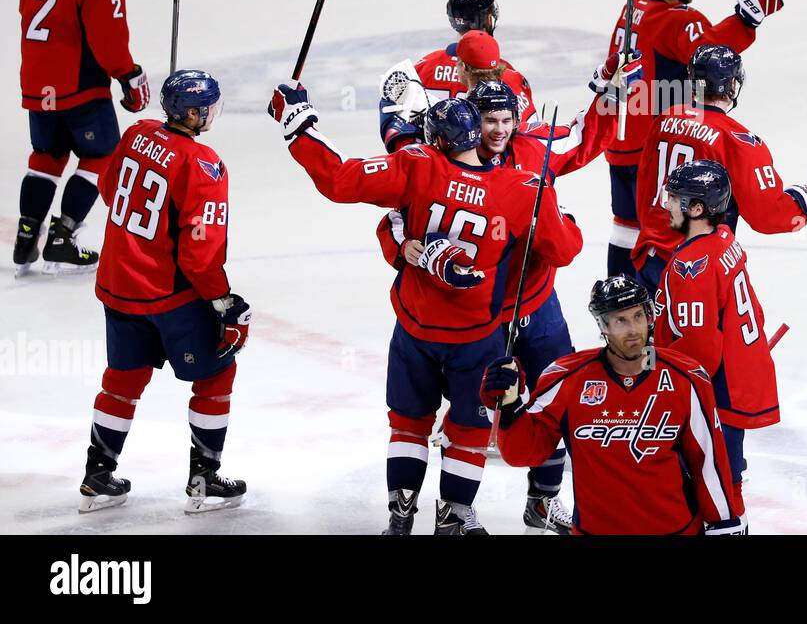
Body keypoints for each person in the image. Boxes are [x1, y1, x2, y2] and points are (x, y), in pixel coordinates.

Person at [271, 88, 582, 535]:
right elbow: (565, 248)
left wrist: (299, 126)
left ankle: (400, 518)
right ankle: (454, 515)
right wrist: (556, 208)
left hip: (415, 328)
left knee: (408, 424)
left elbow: (340, 180)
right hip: (479, 334)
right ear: (477, 131)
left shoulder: (417, 164)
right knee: (471, 429)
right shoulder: (520, 188)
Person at [376, 52, 641, 534]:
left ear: (516, 120)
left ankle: (542, 500)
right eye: (487, 120)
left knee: (557, 397)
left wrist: (611, 94)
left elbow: (583, 138)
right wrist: (406, 250)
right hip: (475, 317)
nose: (497, 130)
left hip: (536, 305)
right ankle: (454, 510)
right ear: (469, 122)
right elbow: (396, 216)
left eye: (505, 120)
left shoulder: (536, 149)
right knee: (468, 418)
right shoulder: (442, 160)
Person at [81, 70, 246, 514]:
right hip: (170, 294)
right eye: (207, 105)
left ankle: (97, 475)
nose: (212, 111)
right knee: (215, 376)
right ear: (192, 113)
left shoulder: (137, 133)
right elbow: (200, 250)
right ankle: (204, 478)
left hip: (118, 285)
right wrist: (224, 301)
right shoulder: (203, 163)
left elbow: (109, 187)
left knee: (122, 380)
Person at [481, 276, 744, 535]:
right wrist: (510, 408)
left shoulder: (686, 377)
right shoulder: (567, 378)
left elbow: (709, 462)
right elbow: (524, 453)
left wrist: (723, 524)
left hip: (675, 530)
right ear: (603, 325)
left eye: (638, 317)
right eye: (621, 320)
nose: (633, 330)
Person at [602, 0, 783, 277]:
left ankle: (620, 303)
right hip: (653, 139)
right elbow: (709, 54)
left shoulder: (634, 7)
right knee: (675, 223)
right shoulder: (677, 18)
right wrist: (748, 17)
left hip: (618, 139)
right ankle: (688, 291)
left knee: (627, 225)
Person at [15, 0, 149, 276]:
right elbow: (108, 39)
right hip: (80, 87)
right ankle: (62, 237)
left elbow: (28, 14)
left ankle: (26, 237)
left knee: (46, 157)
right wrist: (128, 75)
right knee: (101, 155)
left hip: (37, 84)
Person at [633, 44, 807, 290]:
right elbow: (766, 217)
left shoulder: (666, 118)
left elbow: (645, 185)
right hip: (694, 267)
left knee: (652, 329)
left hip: (650, 256)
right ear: (732, 85)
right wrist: (801, 203)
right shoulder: (737, 140)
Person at [652, 161, 779, 511]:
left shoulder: (691, 265)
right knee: (726, 485)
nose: (666, 205)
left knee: (716, 494)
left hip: (719, 391)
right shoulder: (725, 239)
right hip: (739, 378)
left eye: (675, 198)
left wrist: (654, 371)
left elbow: (699, 350)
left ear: (696, 209)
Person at [377, 0, 533, 150]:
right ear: (489, 19)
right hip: (484, 168)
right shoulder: (507, 76)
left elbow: (399, 128)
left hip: (431, 165)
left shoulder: (423, 66)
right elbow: (528, 136)